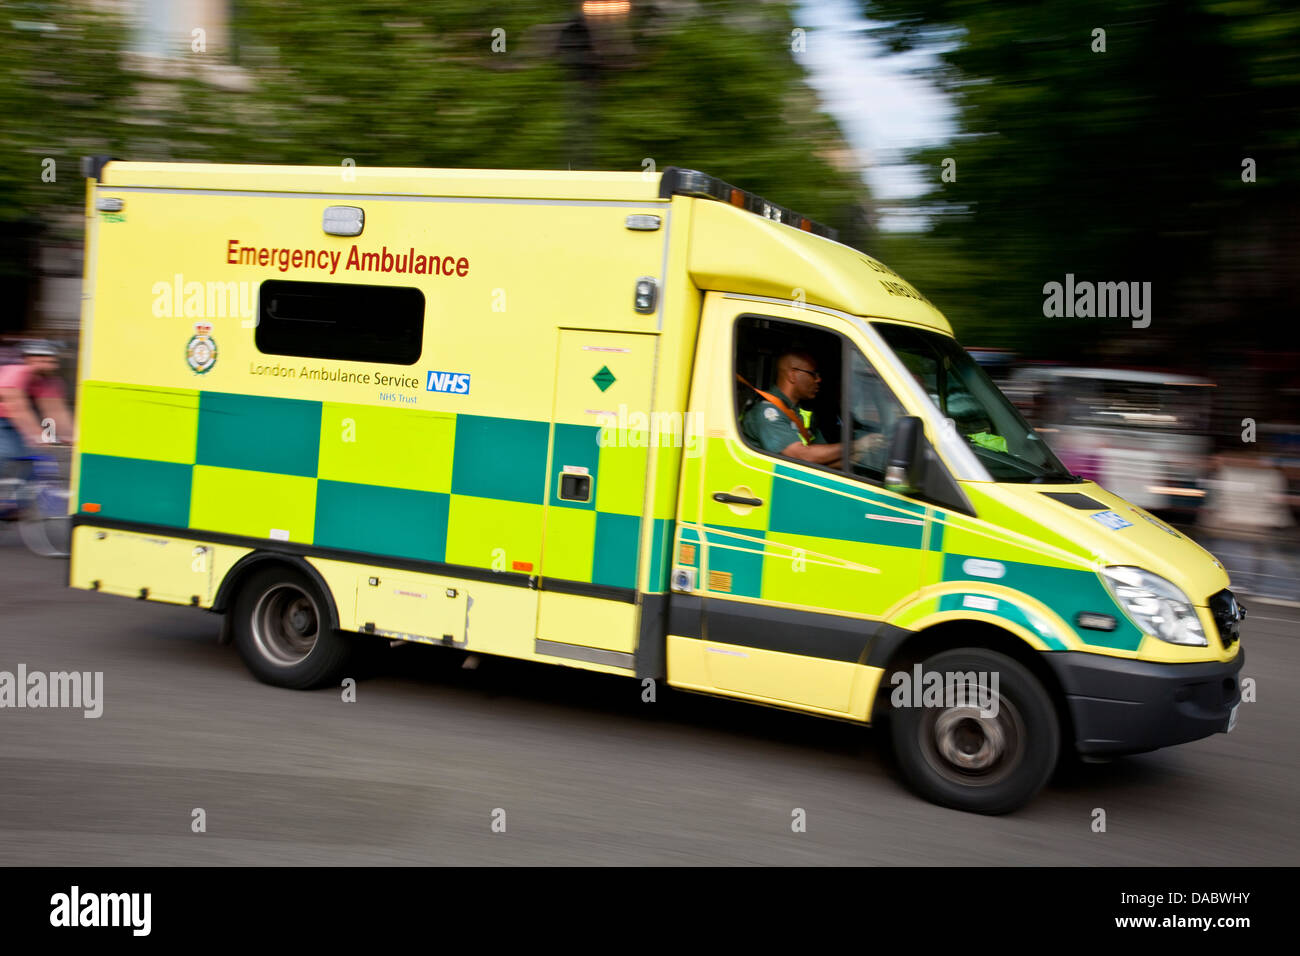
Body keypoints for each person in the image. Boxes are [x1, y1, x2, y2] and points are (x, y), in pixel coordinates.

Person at [741, 350, 882, 466]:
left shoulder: (800, 412)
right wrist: (857, 445)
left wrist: (857, 458)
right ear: (792, 375)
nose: (818, 380)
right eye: (813, 374)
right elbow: (801, 455)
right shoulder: (767, 412)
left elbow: (819, 459)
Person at [0, 340, 75, 464]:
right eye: (42, 360)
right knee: (8, 452)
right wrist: (37, 435)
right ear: (28, 360)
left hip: (16, 421)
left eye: (52, 361)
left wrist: (72, 436)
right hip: (4, 420)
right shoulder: (16, 372)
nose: (49, 365)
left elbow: (56, 411)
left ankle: (20, 481)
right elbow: (18, 409)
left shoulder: (50, 380)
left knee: (27, 458)